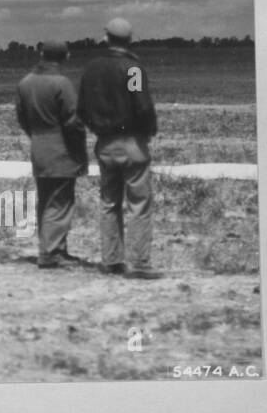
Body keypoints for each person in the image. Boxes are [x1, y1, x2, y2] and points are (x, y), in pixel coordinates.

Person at [78, 17, 161, 279]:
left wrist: (97, 127)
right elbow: (142, 105)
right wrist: (148, 130)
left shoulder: (92, 69)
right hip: (132, 142)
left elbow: (82, 108)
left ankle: (111, 259)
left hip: (105, 143)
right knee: (138, 203)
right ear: (130, 39)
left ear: (106, 37)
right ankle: (138, 262)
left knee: (108, 201)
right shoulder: (132, 69)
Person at [15, 41, 88, 268]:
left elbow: (22, 117)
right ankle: (51, 252)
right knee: (61, 201)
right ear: (65, 56)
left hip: (39, 144)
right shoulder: (62, 83)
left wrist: (36, 136)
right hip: (62, 147)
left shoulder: (25, 82)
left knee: (46, 200)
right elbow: (73, 120)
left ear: (41, 54)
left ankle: (52, 247)